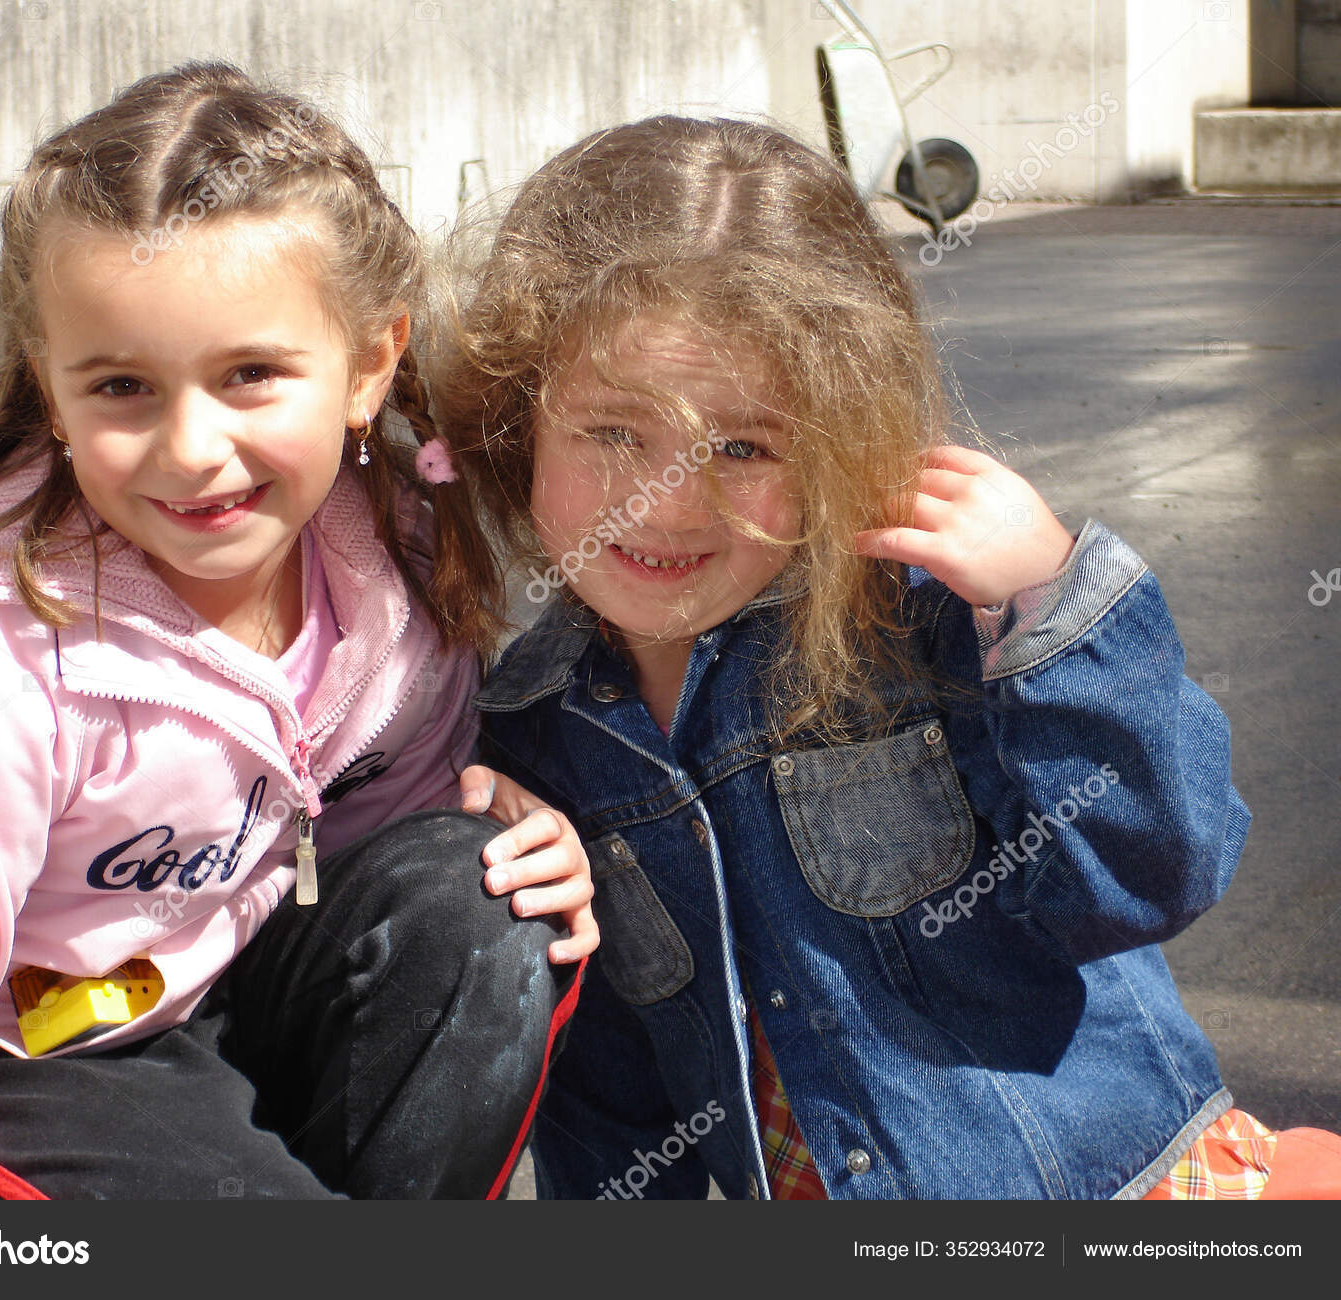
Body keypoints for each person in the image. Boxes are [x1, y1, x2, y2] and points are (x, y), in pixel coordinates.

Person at [436, 114, 1341, 1199]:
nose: (667, 499)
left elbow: (1155, 869)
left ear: (834, 436)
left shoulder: (924, 623)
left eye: (742, 444)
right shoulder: (536, 730)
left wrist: (1049, 610)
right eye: (614, 431)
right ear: (515, 419)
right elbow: (609, 1099)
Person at [0, 62, 597, 1201]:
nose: (191, 448)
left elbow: (381, 826)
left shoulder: (386, 548)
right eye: (122, 387)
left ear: (368, 363)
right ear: (50, 391)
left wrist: (499, 809)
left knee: (482, 897)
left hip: (223, 983)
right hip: (32, 1061)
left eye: (250, 373)